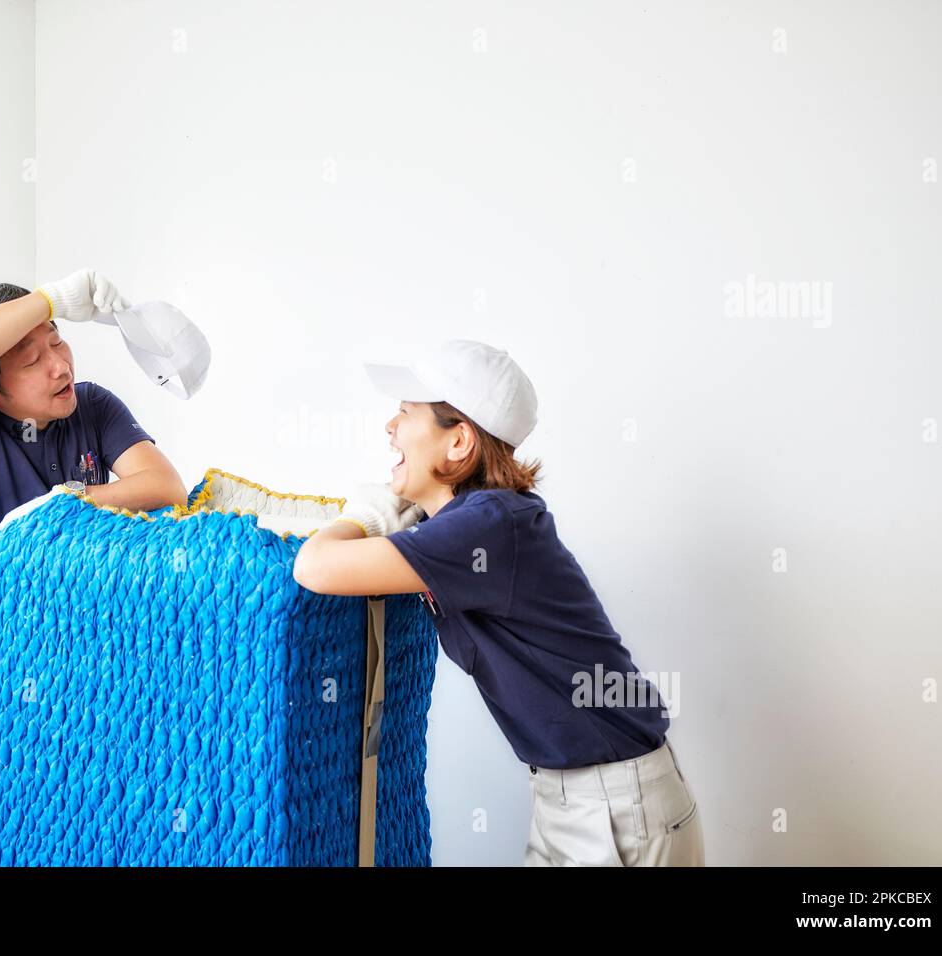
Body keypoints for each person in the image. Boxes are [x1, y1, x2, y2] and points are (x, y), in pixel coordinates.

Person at [292, 339, 705, 866]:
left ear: (459, 441)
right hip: (575, 799)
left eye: (404, 412)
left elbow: (314, 566)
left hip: (616, 810)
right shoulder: (471, 522)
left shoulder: (484, 527)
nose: (389, 427)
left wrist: (372, 515)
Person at [0, 269, 189, 866]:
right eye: (31, 359)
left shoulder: (92, 408)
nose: (60, 365)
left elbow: (165, 489)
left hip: (55, 690)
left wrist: (61, 504)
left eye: (57, 340)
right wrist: (52, 297)